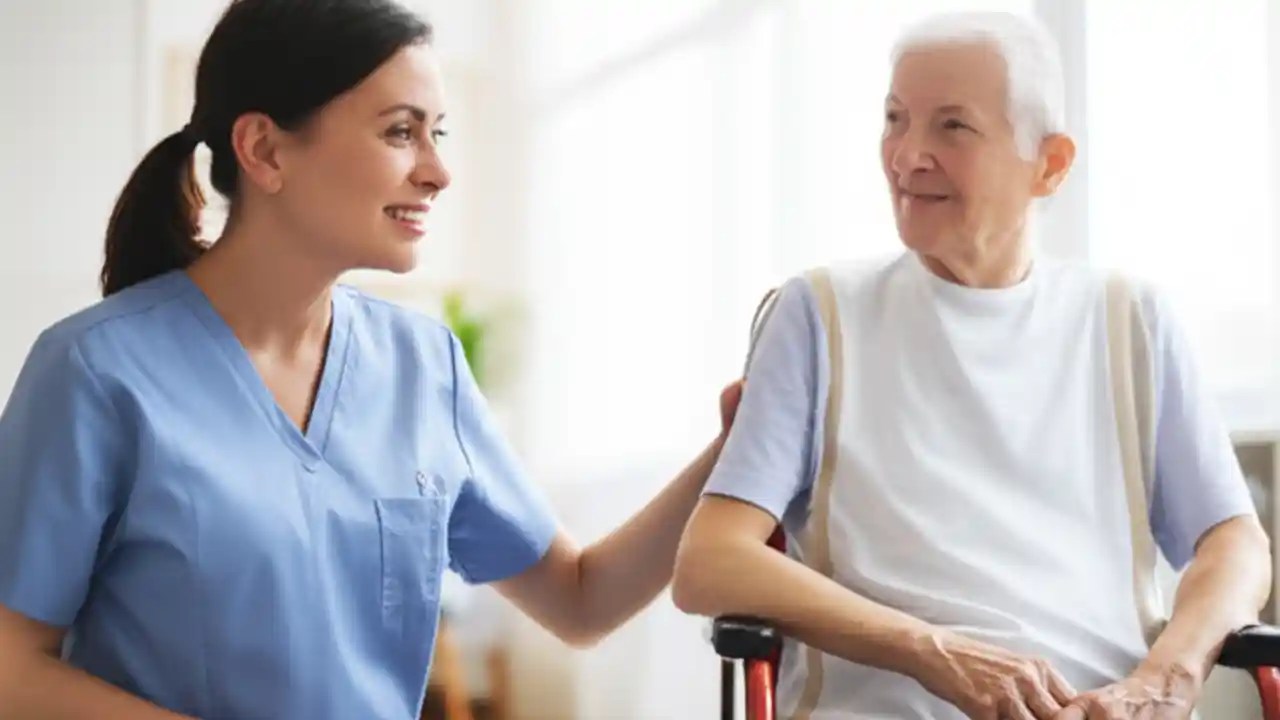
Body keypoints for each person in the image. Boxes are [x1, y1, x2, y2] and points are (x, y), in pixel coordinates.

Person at [0, 1, 740, 718]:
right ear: (263, 149)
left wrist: (737, 443)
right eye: (399, 132)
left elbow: (580, 601)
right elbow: (10, 671)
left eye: (438, 133)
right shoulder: (94, 371)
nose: (437, 172)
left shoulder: (425, 366)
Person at [673, 11, 1271, 720]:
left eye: (951, 127)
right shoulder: (819, 313)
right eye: (895, 119)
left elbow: (1235, 542)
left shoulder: (1132, 319)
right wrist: (934, 651)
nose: (906, 155)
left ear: (1048, 164)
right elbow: (709, 562)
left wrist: (1165, 678)